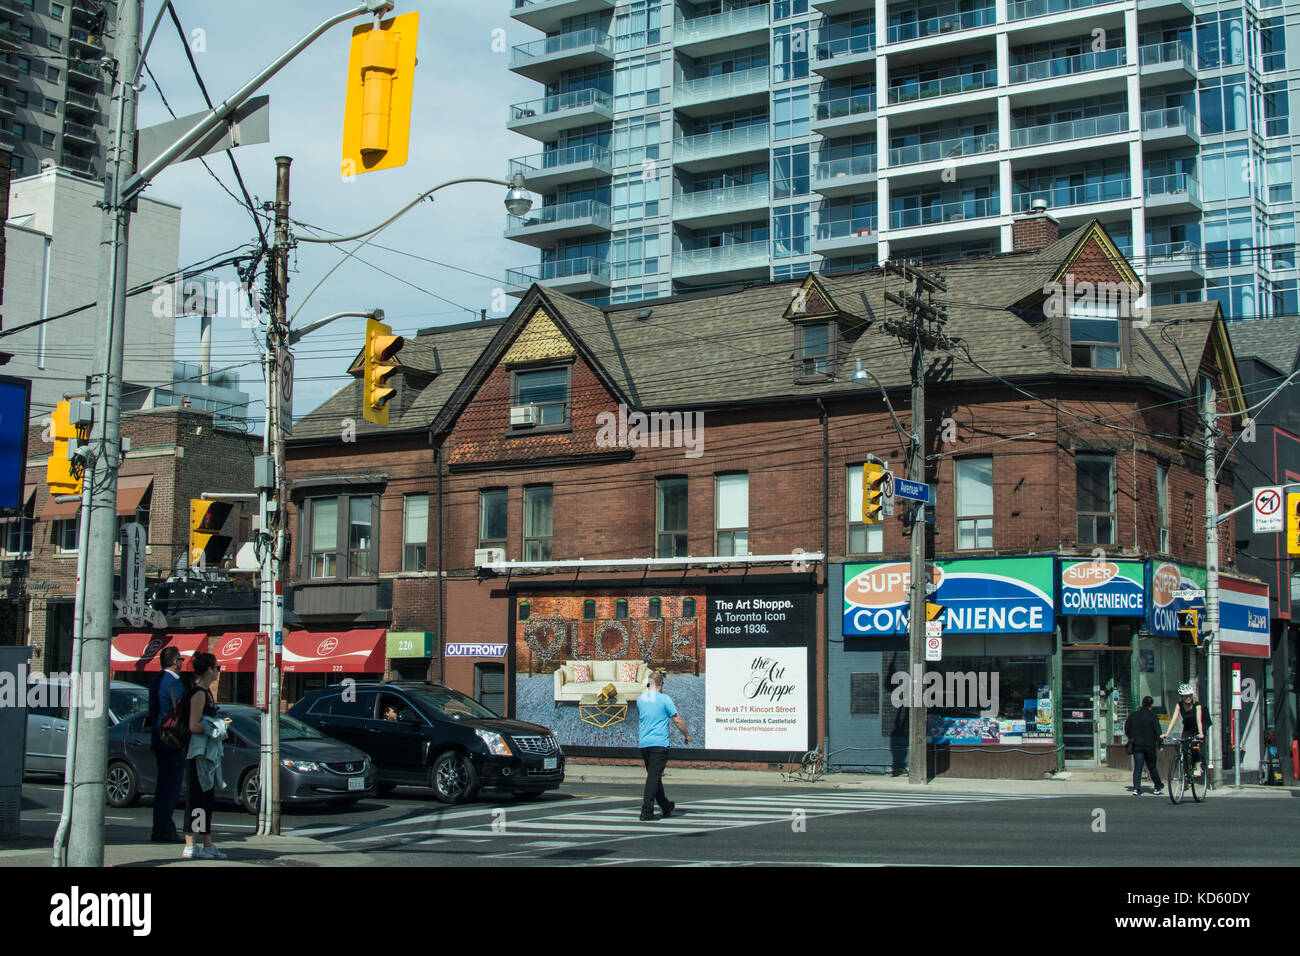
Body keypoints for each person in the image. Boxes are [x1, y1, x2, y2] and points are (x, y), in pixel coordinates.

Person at [181, 653, 231, 860]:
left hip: (206, 752)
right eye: (217, 668)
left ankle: (207, 844)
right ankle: (191, 845)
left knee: (206, 799)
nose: (218, 671)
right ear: (208, 669)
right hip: (198, 752)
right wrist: (219, 726)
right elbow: (194, 725)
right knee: (197, 798)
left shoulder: (206, 692)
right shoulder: (198, 694)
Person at [635, 670, 691, 822]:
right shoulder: (664, 699)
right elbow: (677, 719)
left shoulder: (640, 699)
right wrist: (686, 735)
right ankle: (646, 811)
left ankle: (666, 806)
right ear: (660, 684)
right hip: (660, 744)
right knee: (653, 777)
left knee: (655, 776)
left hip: (645, 744)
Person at [148, 646, 186, 842]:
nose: (182, 663)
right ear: (173, 661)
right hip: (172, 740)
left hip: (159, 738)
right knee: (170, 788)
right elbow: (182, 711)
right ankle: (165, 828)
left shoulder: (155, 682)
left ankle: (159, 827)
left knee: (162, 786)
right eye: (180, 659)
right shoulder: (175, 684)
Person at [1161, 682, 1205, 779]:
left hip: (1197, 729)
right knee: (1184, 749)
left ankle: (1197, 764)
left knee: (1194, 746)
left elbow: (1199, 720)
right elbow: (1174, 720)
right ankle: (1186, 774)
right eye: (1185, 696)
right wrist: (1167, 733)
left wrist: (1200, 733)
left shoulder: (1197, 705)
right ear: (1182, 697)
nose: (1188, 698)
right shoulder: (1179, 705)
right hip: (1187, 729)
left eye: (1189, 696)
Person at [1124, 696, 1163, 796]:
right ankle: (1157, 786)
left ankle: (1136, 788)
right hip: (1150, 745)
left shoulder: (1134, 715)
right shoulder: (1153, 716)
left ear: (1142, 703)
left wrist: (1131, 738)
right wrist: (1160, 744)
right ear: (1151, 705)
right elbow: (1157, 731)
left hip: (1137, 745)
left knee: (1138, 767)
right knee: (1152, 767)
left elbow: (1127, 728)